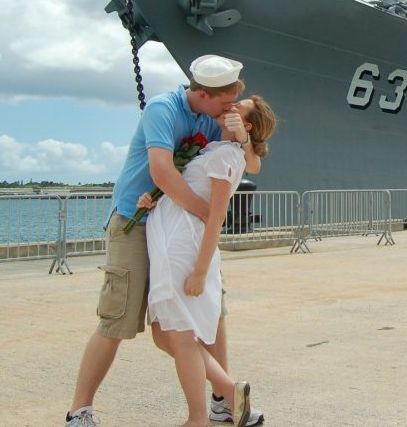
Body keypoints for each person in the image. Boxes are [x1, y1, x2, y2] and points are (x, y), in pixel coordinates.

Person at [65, 55, 263, 427]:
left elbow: (251, 164)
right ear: (201, 94)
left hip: (178, 229)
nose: (230, 108)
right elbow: (162, 171)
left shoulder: (214, 114)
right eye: (225, 102)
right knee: (118, 317)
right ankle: (80, 410)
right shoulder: (163, 109)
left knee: (209, 315)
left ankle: (224, 401)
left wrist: (244, 135)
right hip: (136, 222)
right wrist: (209, 216)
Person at [141, 96, 276, 427]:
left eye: (237, 109)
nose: (229, 108)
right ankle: (230, 391)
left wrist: (200, 272)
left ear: (245, 125)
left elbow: (216, 216)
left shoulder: (226, 156)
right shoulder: (217, 149)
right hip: (172, 239)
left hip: (183, 247)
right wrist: (155, 203)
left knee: (180, 336)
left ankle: (198, 418)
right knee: (163, 333)